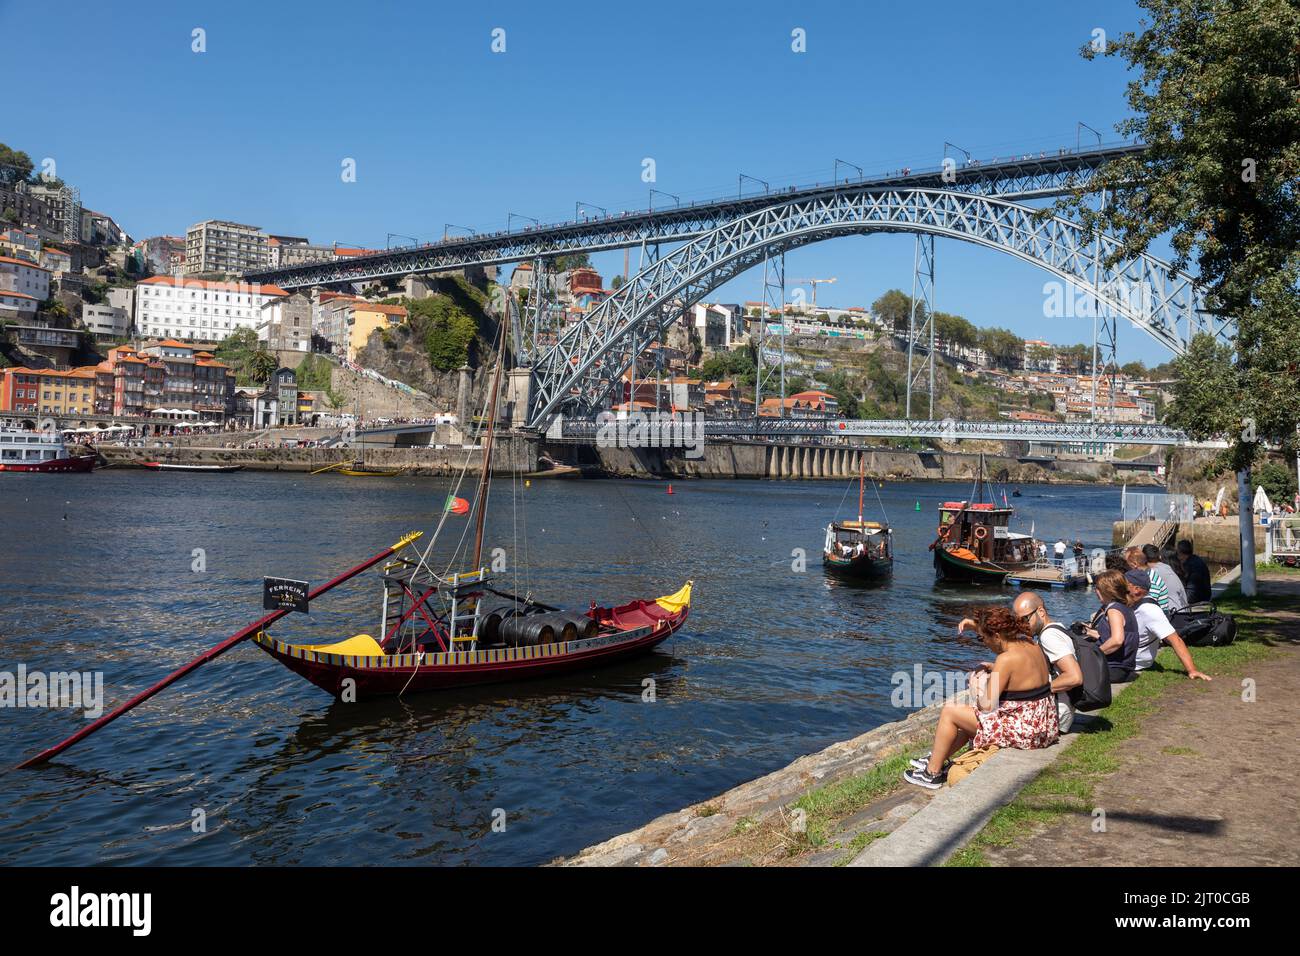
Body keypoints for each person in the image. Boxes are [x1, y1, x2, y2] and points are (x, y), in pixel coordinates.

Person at [904, 607, 1059, 789]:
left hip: (1025, 732)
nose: (984, 642)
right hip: (1043, 725)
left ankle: (932, 774)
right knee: (966, 721)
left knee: (951, 711)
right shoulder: (1030, 643)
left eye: (983, 638)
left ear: (997, 636)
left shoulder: (1006, 659)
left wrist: (977, 685)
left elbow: (986, 707)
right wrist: (975, 627)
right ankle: (935, 759)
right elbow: (1020, 674)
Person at [1012, 591, 1083, 733]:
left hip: (1055, 715)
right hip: (1054, 711)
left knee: (983, 717)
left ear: (1041, 611)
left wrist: (1036, 691)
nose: (1022, 626)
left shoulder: (1049, 636)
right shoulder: (1055, 628)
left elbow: (1074, 677)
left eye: (1025, 619)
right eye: (1018, 622)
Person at [1124, 569, 1211, 681]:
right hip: (1127, 656)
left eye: (1124, 585)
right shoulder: (1134, 603)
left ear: (1136, 589)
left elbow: (1175, 640)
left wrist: (1192, 670)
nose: (1120, 587)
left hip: (1132, 661)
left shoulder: (1149, 610)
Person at [1082, 569, 1140, 683]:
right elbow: (1111, 635)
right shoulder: (1125, 608)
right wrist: (1087, 631)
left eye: (1097, 588)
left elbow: (1117, 640)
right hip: (1124, 667)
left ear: (1107, 590)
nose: (1095, 591)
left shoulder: (1114, 610)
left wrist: (1095, 655)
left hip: (1113, 668)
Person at [1143, 543, 1188, 612]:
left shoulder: (1154, 572)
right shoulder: (1166, 567)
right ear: (1159, 557)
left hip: (1174, 613)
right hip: (1183, 610)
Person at [1177, 539, 1212, 604]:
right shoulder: (1196, 560)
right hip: (1205, 596)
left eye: (1177, 552)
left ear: (1180, 553)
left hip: (1198, 599)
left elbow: (1191, 593)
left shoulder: (1192, 566)